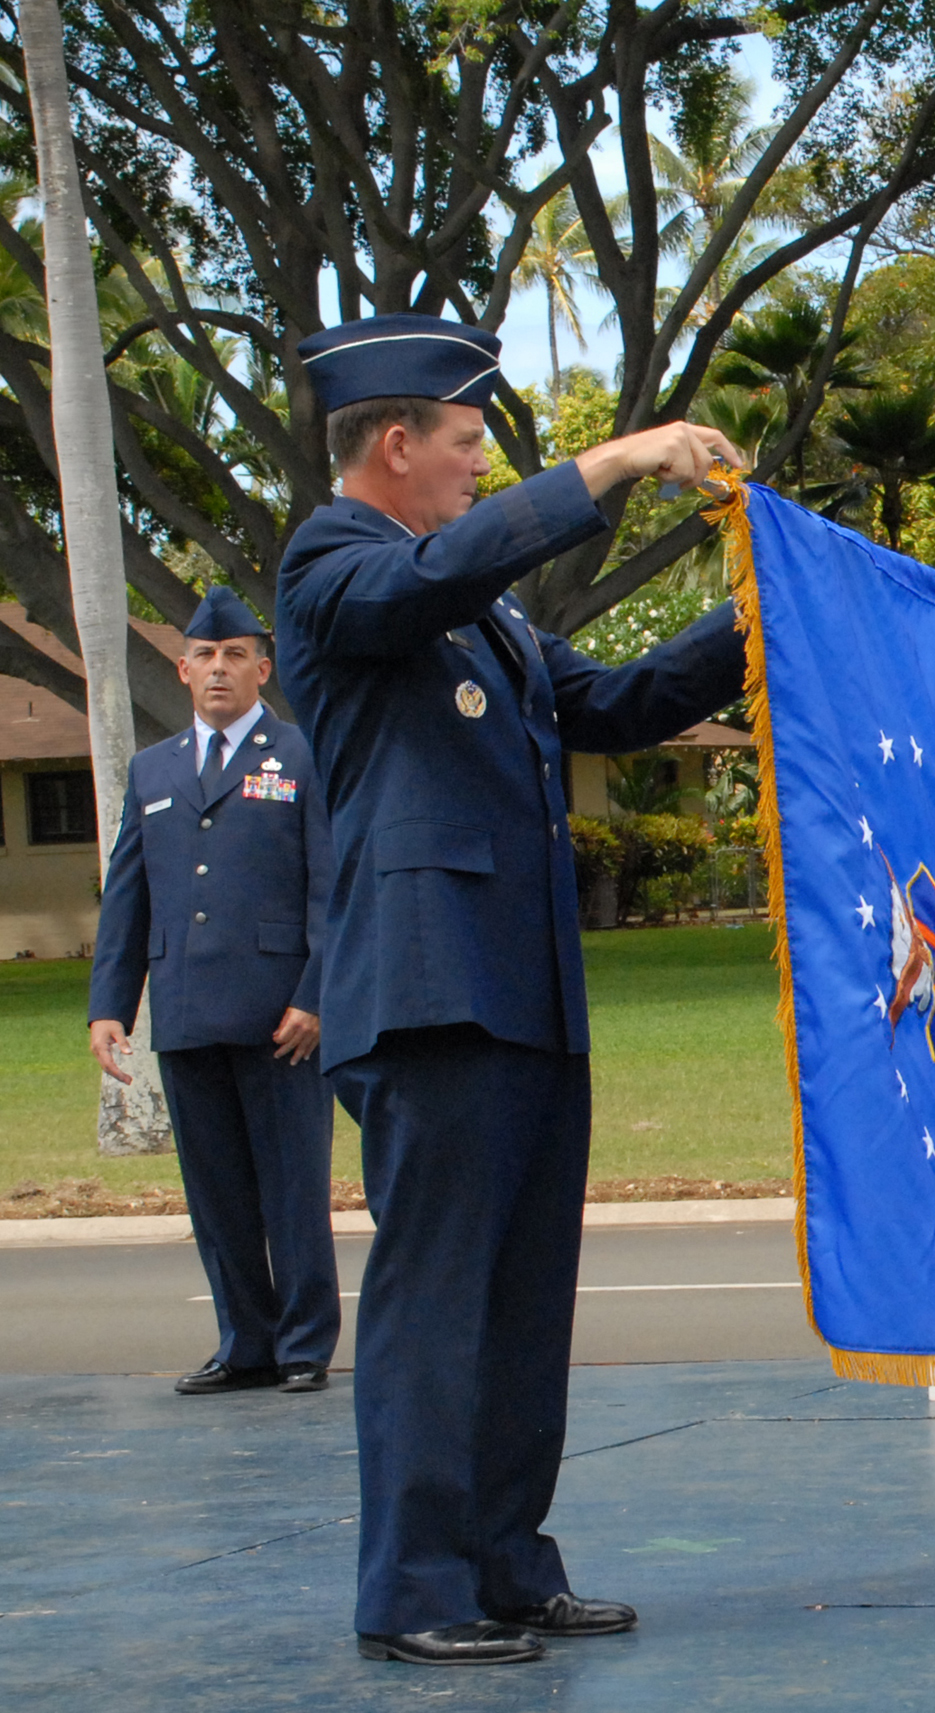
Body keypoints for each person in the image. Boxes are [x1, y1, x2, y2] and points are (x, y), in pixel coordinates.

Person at [274, 314, 751, 1666]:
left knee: (522, 1303)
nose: (484, 469)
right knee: (436, 1303)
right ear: (394, 443)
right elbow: (426, 578)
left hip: (523, 990)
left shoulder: (488, 615)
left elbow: (621, 703)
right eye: (472, 444)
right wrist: (612, 463)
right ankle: (417, 1585)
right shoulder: (336, 559)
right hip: (430, 992)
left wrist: (752, 610)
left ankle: (504, 1560)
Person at [89, 586, 338, 1396]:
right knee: (218, 1195)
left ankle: (303, 1343)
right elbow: (129, 894)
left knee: (292, 1188)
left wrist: (317, 993)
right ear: (183, 667)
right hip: (190, 1010)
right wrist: (109, 1005)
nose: (219, 669)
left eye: (236, 655)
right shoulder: (153, 769)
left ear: (263, 668)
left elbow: (330, 889)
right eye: (205, 655)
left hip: (281, 1015)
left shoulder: (302, 756)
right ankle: (245, 1343)